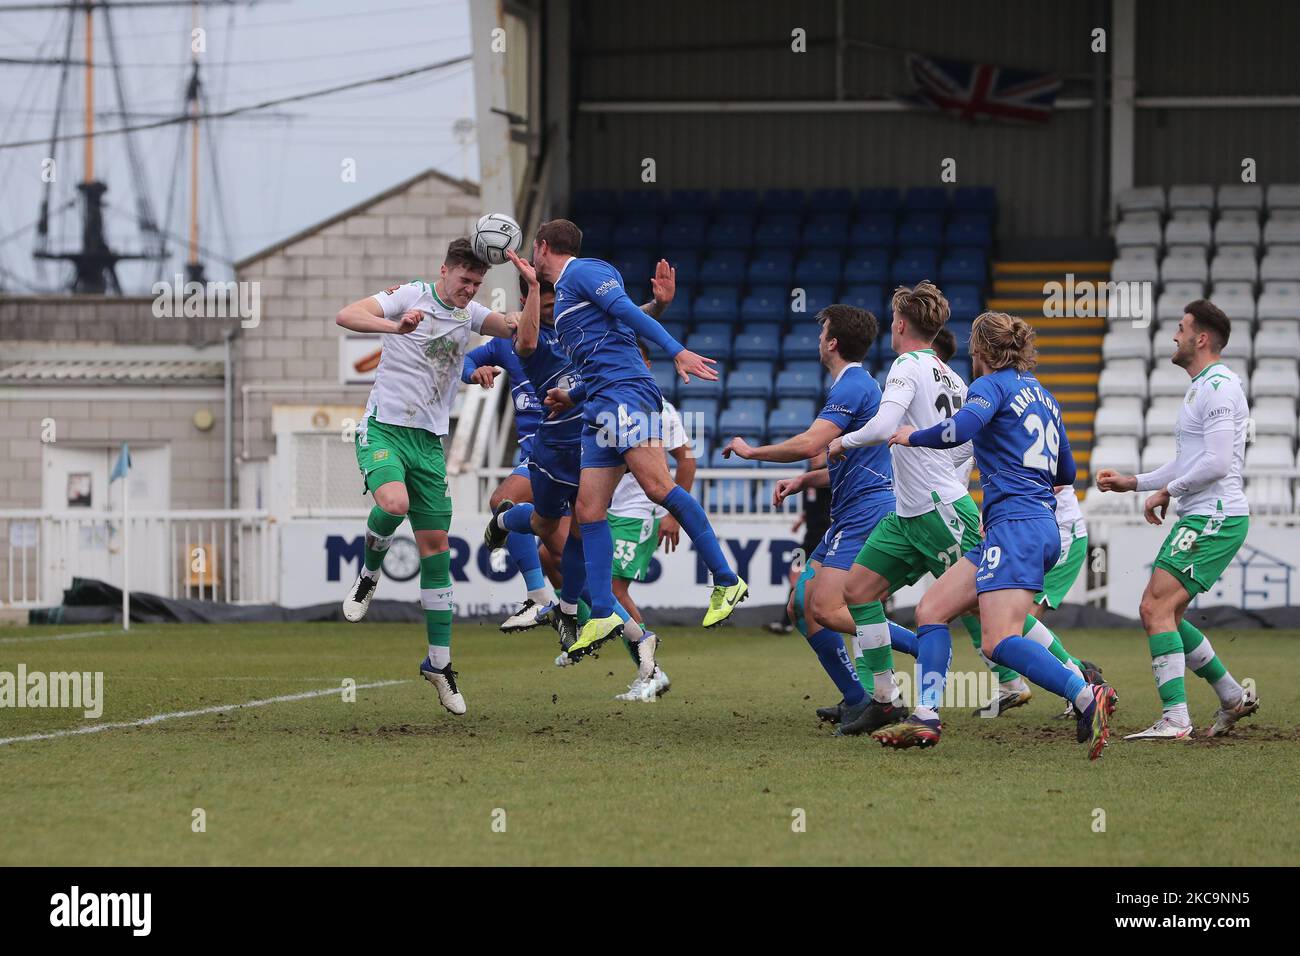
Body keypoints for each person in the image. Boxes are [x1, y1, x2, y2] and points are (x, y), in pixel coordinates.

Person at [877, 311, 1118, 759]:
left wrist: (912, 436)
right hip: (1032, 525)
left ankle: (1086, 695)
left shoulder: (990, 385)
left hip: (1017, 526)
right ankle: (926, 715)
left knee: (998, 640)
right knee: (932, 609)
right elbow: (1066, 471)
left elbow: (959, 429)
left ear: (982, 350)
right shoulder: (1044, 397)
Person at [533, 219, 748, 658]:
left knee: (656, 486)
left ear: (541, 247)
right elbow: (609, 344)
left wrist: (677, 350)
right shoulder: (568, 299)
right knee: (588, 510)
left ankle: (727, 579)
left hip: (627, 395)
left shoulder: (586, 270)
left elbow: (628, 313)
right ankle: (603, 615)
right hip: (597, 402)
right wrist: (571, 395)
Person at [335, 238, 526, 715]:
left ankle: (438, 664)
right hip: (384, 428)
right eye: (464, 281)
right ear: (444, 272)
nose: (469, 290)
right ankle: (368, 573)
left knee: (436, 548)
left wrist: (534, 287)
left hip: (428, 442)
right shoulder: (411, 296)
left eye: (477, 284)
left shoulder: (471, 314)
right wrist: (393, 326)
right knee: (394, 504)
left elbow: (514, 331)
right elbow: (346, 315)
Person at [723, 304, 903, 734]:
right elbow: (850, 459)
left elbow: (809, 443)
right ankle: (858, 698)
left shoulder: (852, 387)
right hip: (849, 512)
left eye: (822, 332)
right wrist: (807, 481)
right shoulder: (858, 386)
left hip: (867, 512)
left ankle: (916, 647)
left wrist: (753, 453)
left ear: (833, 342)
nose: (818, 339)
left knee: (824, 607)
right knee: (800, 607)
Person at [1095, 299, 1258, 740]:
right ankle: (1231, 696)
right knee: (1168, 614)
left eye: (1182, 328)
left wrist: (1169, 491)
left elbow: (1218, 462)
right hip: (1207, 514)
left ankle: (1175, 718)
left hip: (1214, 516)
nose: (1175, 335)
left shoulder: (1219, 387)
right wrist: (1137, 483)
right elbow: (1191, 460)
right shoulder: (1202, 386)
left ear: (1201, 338)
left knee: (1154, 607)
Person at [768, 453, 831, 635]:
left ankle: (792, 622)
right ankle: (788, 621)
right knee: (795, 576)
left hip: (824, 538)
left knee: (832, 581)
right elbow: (814, 505)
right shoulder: (808, 473)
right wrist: (801, 519)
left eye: (818, 453)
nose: (813, 457)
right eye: (812, 454)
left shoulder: (827, 475)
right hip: (809, 538)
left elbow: (833, 503)